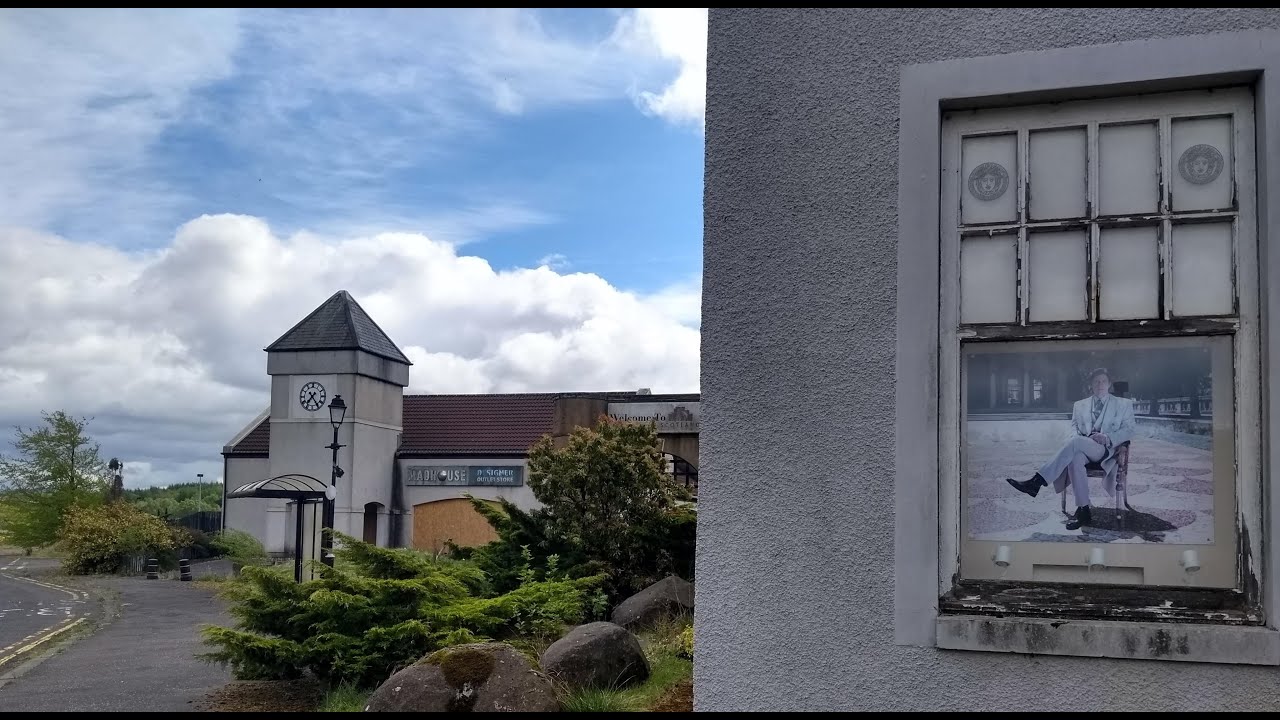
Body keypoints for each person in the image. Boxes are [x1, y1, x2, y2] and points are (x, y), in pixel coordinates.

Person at [1005, 368, 1135, 530]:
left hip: (1105, 451)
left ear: (1109, 384)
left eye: (1103, 381)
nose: (1100, 384)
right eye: (1096, 381)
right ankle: (1084, 510)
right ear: (1091, 385)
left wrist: (1108, 438)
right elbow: (1073, 430)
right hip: (1083, 449)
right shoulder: (1079, 406)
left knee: (1076, 443)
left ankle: (1037, 481)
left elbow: (1130, 430)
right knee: (1075, 458)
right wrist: (1079, 440)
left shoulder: (1123, 404)